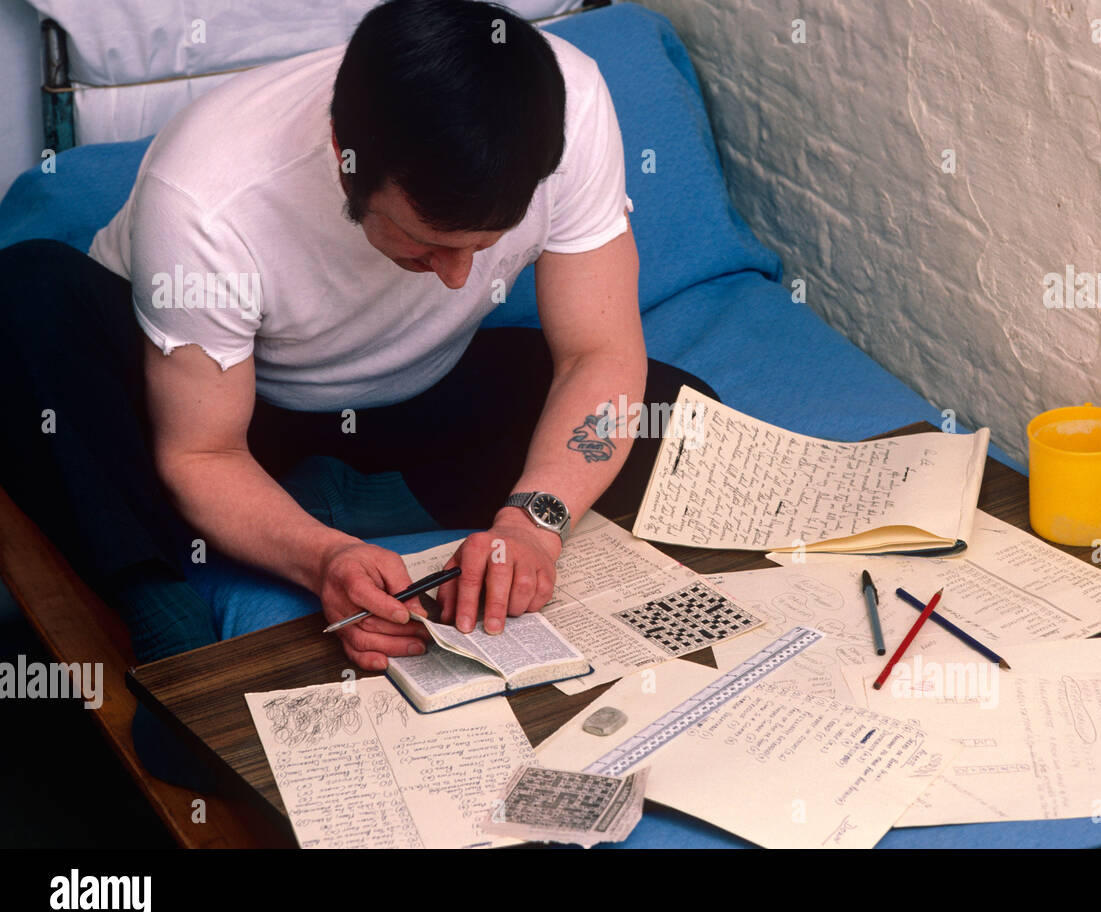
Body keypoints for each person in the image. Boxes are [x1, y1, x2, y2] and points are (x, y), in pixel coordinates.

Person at [0, 0, 714, 781]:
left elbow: (599, 353)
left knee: (672, 418)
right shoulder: (206, 189)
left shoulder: (567, 105)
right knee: (26, 293)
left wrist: (536, 520)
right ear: (346, 156)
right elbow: (201, 450)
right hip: (207, 410)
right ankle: (166, 616)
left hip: (405, 403)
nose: (458, 277)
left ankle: (331, 494)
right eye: (427, 244)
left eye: (487, 245)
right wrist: (324, 560)